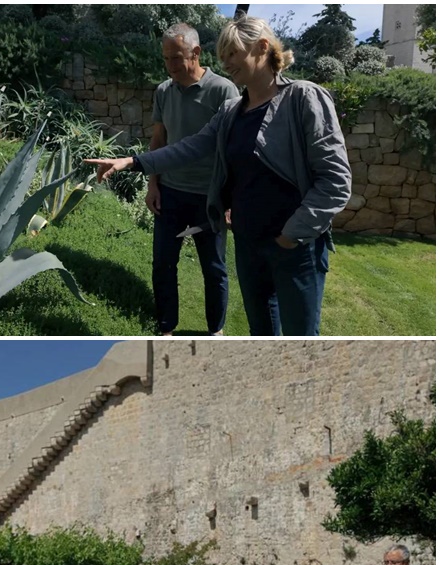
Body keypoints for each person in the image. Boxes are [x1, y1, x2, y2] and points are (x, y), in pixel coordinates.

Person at [85, 16, 352, 336]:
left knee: (300, 343)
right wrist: (132, 161)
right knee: (262, 338)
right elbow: (188, 147)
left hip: (295, 248)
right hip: (249, 244)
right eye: (223, 56)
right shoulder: (232, 111)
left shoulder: (303, 98)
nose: (225, 63)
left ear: (262, 48)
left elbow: (335, 182)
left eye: (232, 54)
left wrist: (291, 234)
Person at [146, 24, 239, 336]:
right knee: (162, 266)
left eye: (176, 57)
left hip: (209, 198)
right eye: (166, 59)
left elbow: (235, 151)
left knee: (214, 270)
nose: (171, 65)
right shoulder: (163, 91)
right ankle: (166, 329)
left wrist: (230, 200)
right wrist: (153, 184)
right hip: (170, 195)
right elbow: (158, 142)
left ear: (196, 53)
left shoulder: (223, 90)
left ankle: (216, 332)